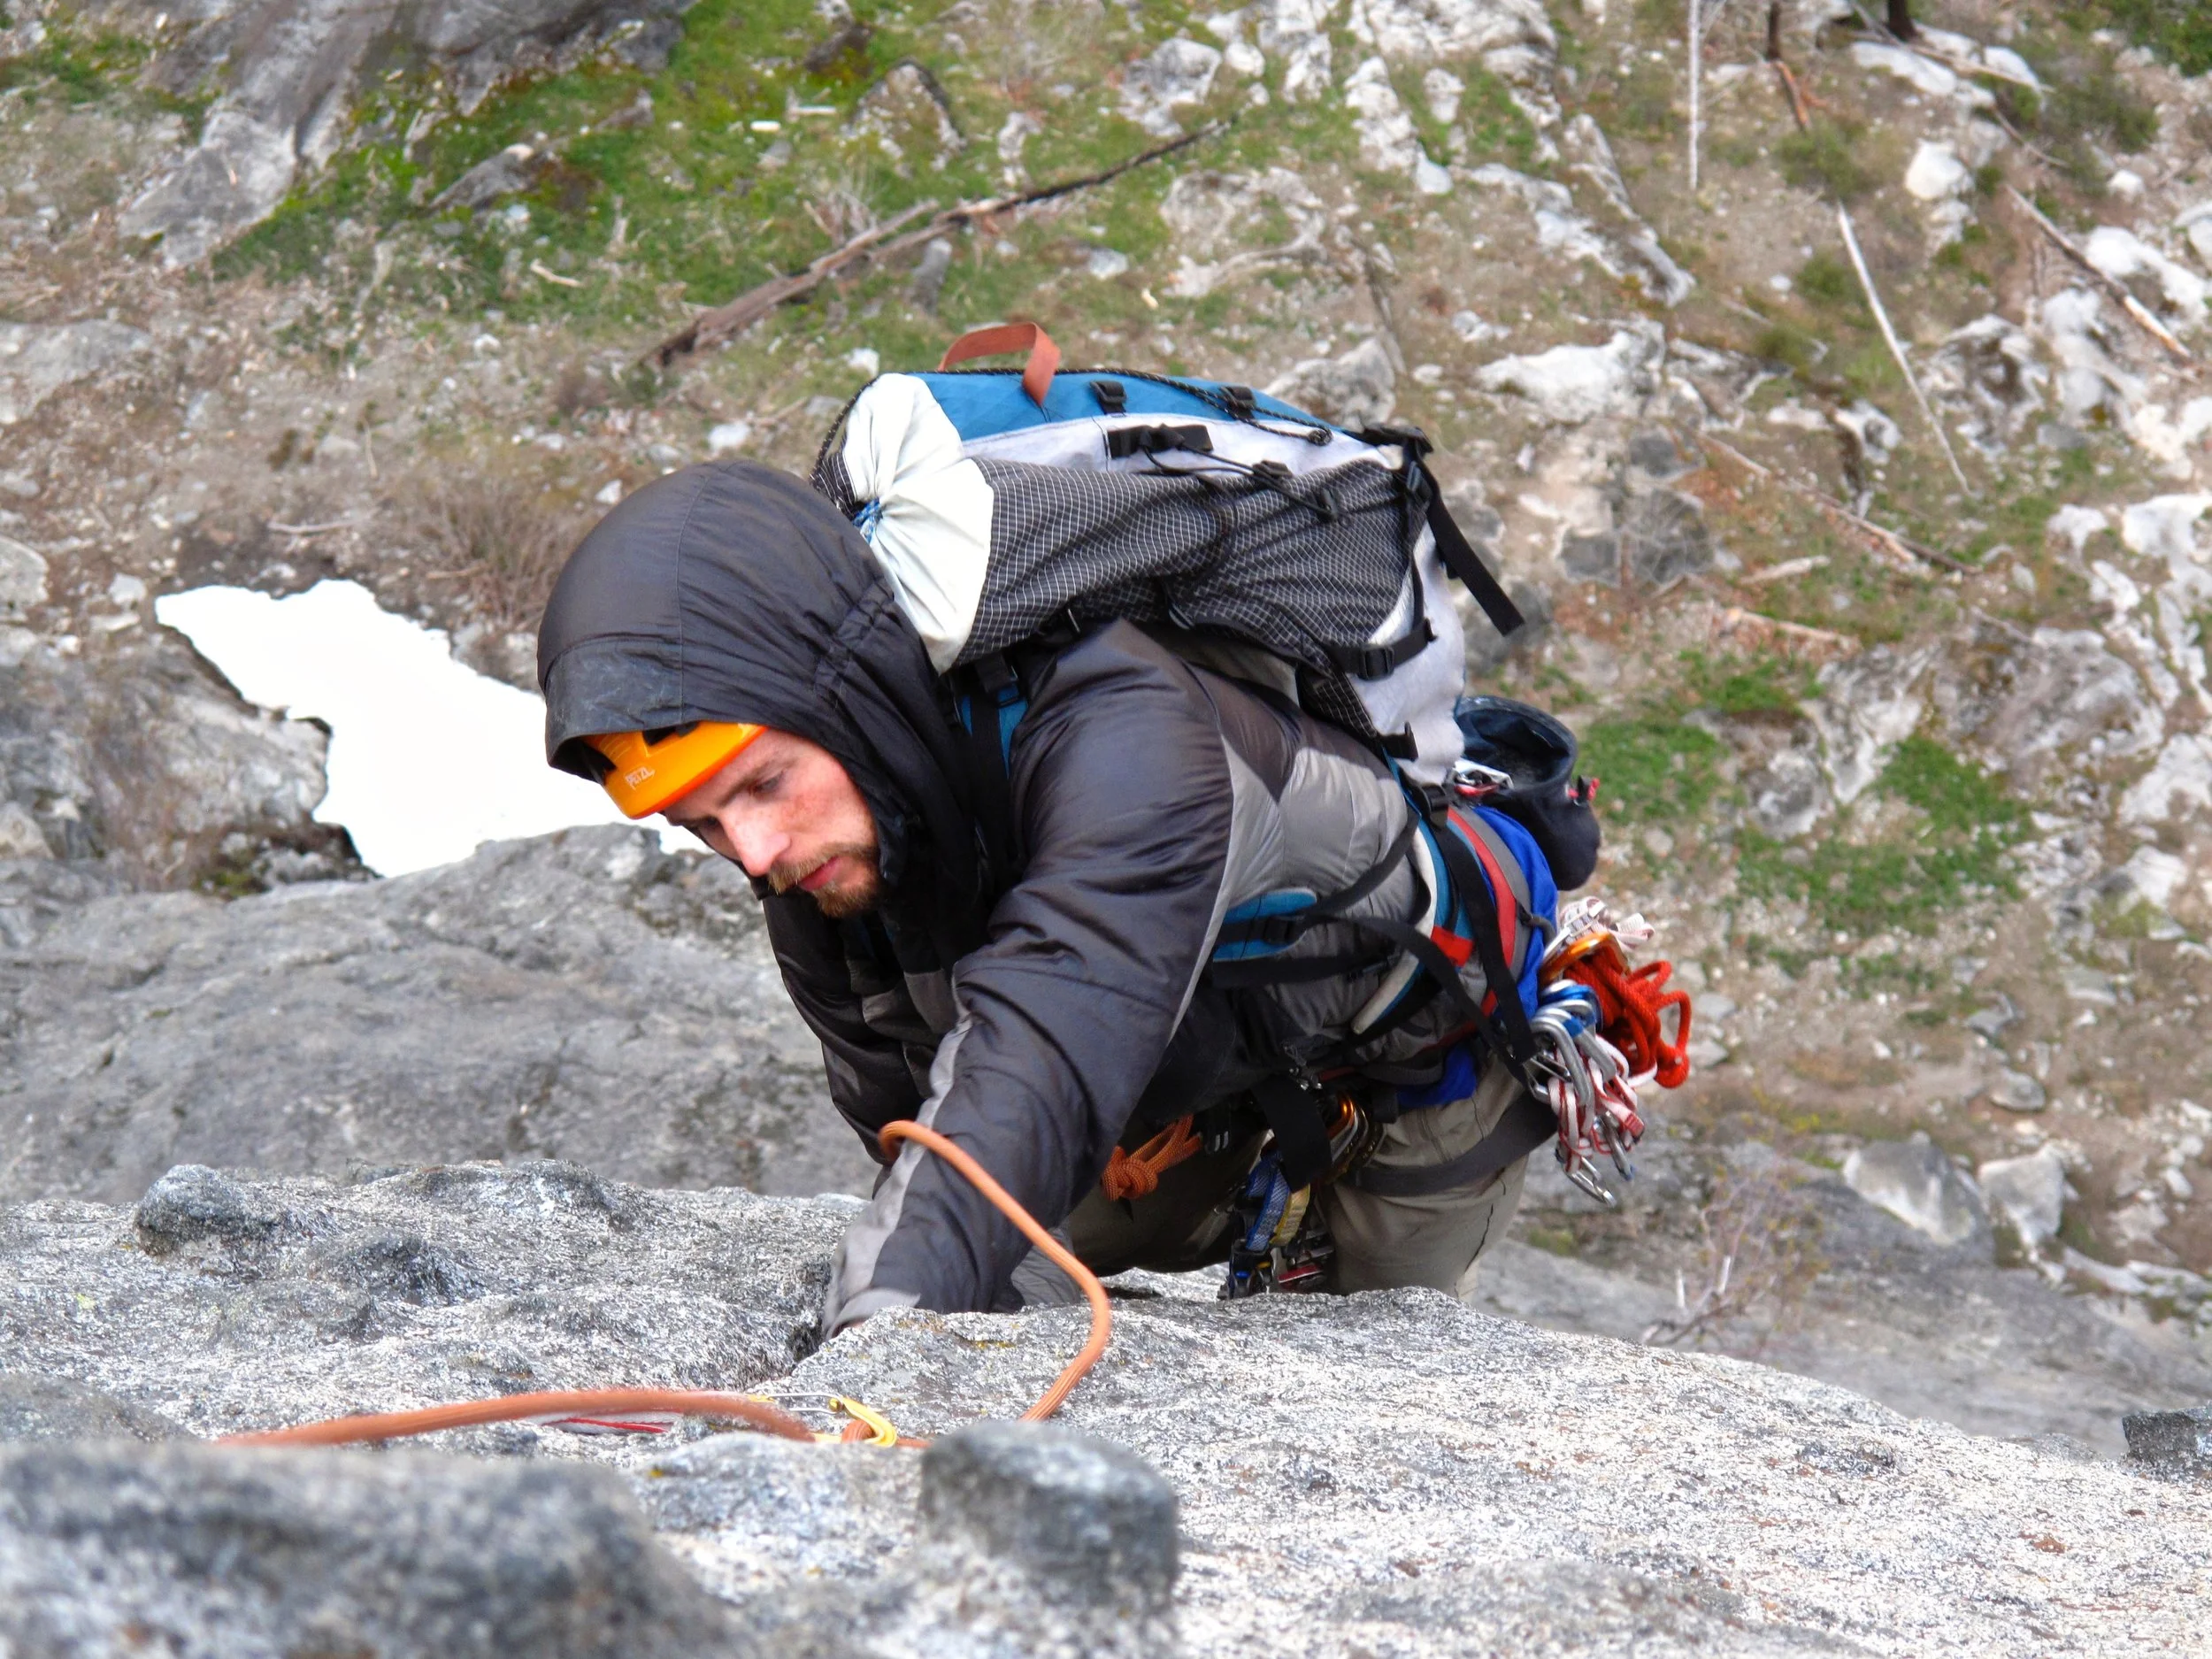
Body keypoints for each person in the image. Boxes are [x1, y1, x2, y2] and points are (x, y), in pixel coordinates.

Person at [539, 459, 1555, 1333]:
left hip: (1410, 1057)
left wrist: (888, 1339)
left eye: (762, 784)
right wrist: (954, 1342)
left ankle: (1322, 1219)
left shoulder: (1132, 740)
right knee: (1020, 1227)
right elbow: (912, 1117)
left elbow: (1047, 1042)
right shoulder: (828, 832)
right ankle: (1240, 1193)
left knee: (1367, 1359)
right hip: (1193, 1061)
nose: (753, 854)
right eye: (705, 823)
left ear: (839, 699)